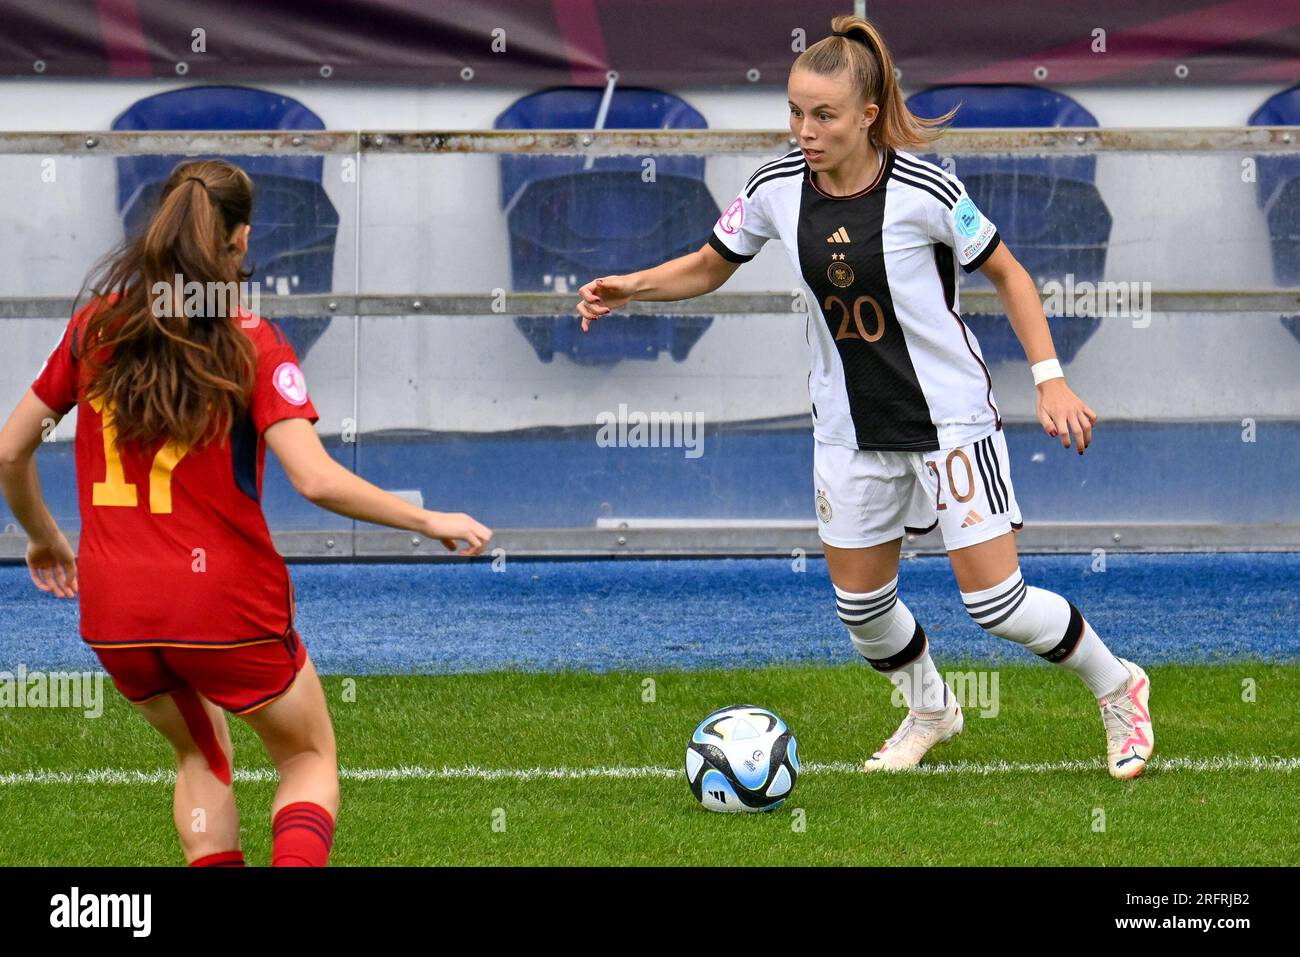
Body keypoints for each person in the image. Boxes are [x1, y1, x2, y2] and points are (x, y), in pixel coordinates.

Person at [575, 16, 1154, 779]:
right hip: (849, 428)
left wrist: (1050, 379)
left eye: (823, 116)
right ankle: (932, 709)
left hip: (948, 422)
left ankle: (1120, 688)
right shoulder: (775, 187)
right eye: (794, 112)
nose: (804, 131)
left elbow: (1010, 273)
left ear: (867, 116)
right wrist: (631, 287)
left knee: (998, 605)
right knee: (864, 612)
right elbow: (713, 264)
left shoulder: (927, 187)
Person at [0, 159, 492, 865]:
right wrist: (429, 519)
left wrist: (45, 538)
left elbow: (10, 452)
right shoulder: (248, 337)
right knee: (308, 758)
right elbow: (315, 480)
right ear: (239, 240)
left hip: (115, 609)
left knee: (204, 759)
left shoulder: (94, 326)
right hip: (222, 601)